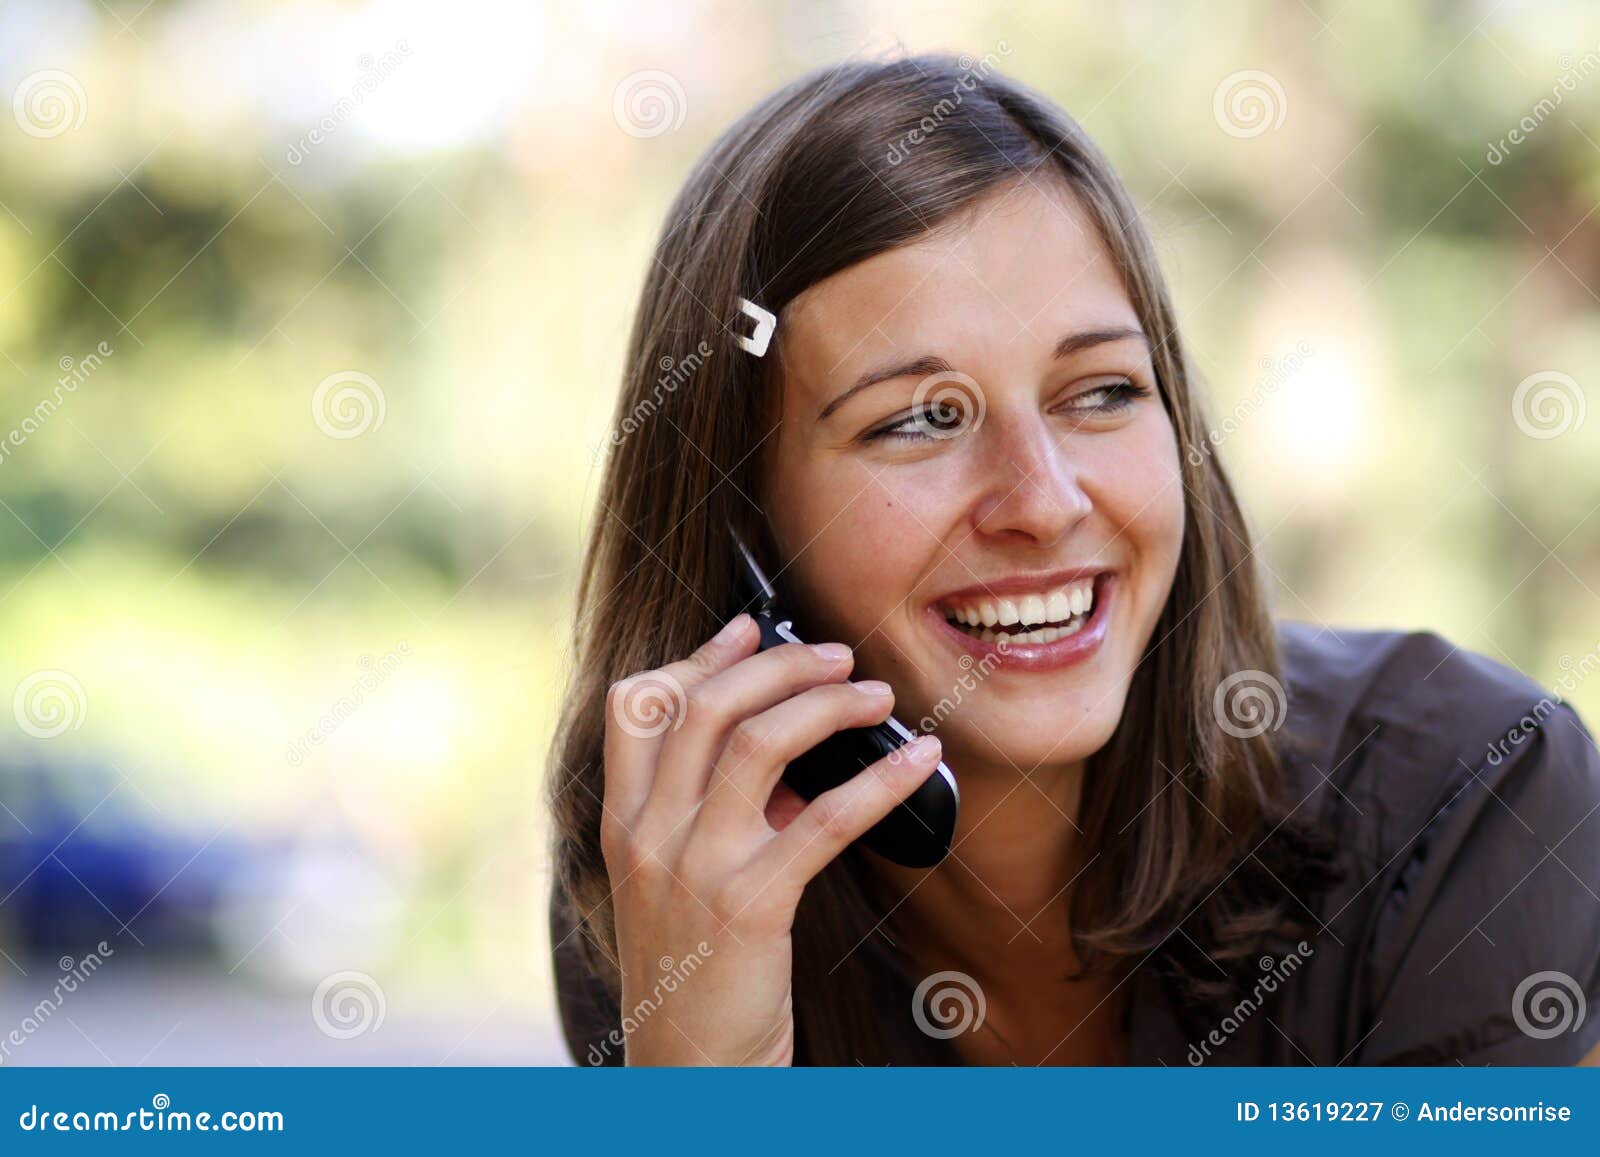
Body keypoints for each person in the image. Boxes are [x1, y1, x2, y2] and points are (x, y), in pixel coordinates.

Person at [545, 54, 1600, 1066]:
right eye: (918, 418)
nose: (1043, 501)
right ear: (740, 530)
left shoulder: (1471, 800)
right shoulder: (675, 868)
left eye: (1100, 391)